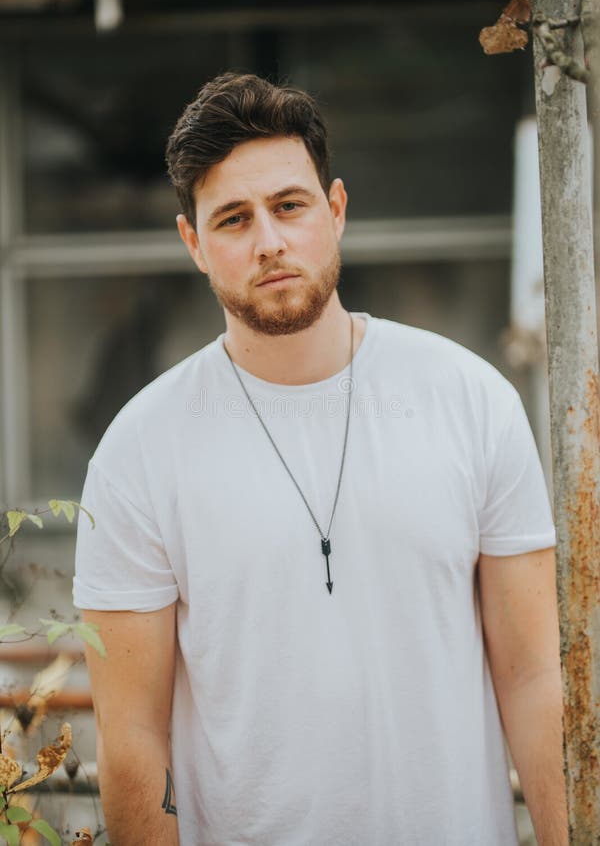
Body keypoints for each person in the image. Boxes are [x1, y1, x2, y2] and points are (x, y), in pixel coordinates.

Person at [74, 73, 567, 846]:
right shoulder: (138, 452)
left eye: (289, 206)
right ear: (194, 244)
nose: (269, 241)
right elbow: (132, 733)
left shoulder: (470, 401)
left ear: (335, 210)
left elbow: (536, 677)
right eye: (233, 219)